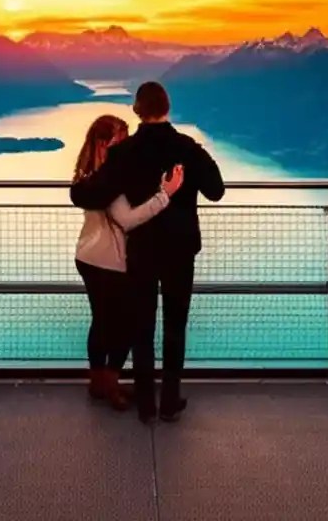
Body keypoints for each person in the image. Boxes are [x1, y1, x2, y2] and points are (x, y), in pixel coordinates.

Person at [71, 82, 225, 423]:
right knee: (175, 326)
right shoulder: (187, 148)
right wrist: (196, 158)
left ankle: (145, 405)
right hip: (180, 252)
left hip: (141, 251)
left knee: (142, 328)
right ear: (167, 106)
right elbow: (217, 190)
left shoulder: (124, 153)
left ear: (138, 110)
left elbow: (86, 195)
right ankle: (169, 400)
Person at [72, 114, 184, 411]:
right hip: (109, 261)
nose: (127, 146)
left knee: (101, 322)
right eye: (121, 139)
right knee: (126, 325)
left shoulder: (87, 174)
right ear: (104, 143)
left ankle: (98, 384)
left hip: (87, 255)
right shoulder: (111, 179)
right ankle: (111, 385)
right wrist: (165, 194)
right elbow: (128, 219)